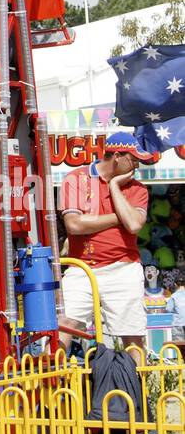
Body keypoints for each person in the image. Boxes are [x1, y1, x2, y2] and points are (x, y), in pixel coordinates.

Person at [57, 131, 154, 352]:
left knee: (133, 335)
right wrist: (120, 217)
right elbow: (74, 225)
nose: (137, 166)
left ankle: (136, 385)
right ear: (117, 156)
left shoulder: (137, 188)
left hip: (124, 266)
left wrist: (114, 187)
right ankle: (52, 383)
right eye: (134, 159)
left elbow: (135, 225)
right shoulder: (75, 178)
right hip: (81, 266)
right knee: (64, 325)